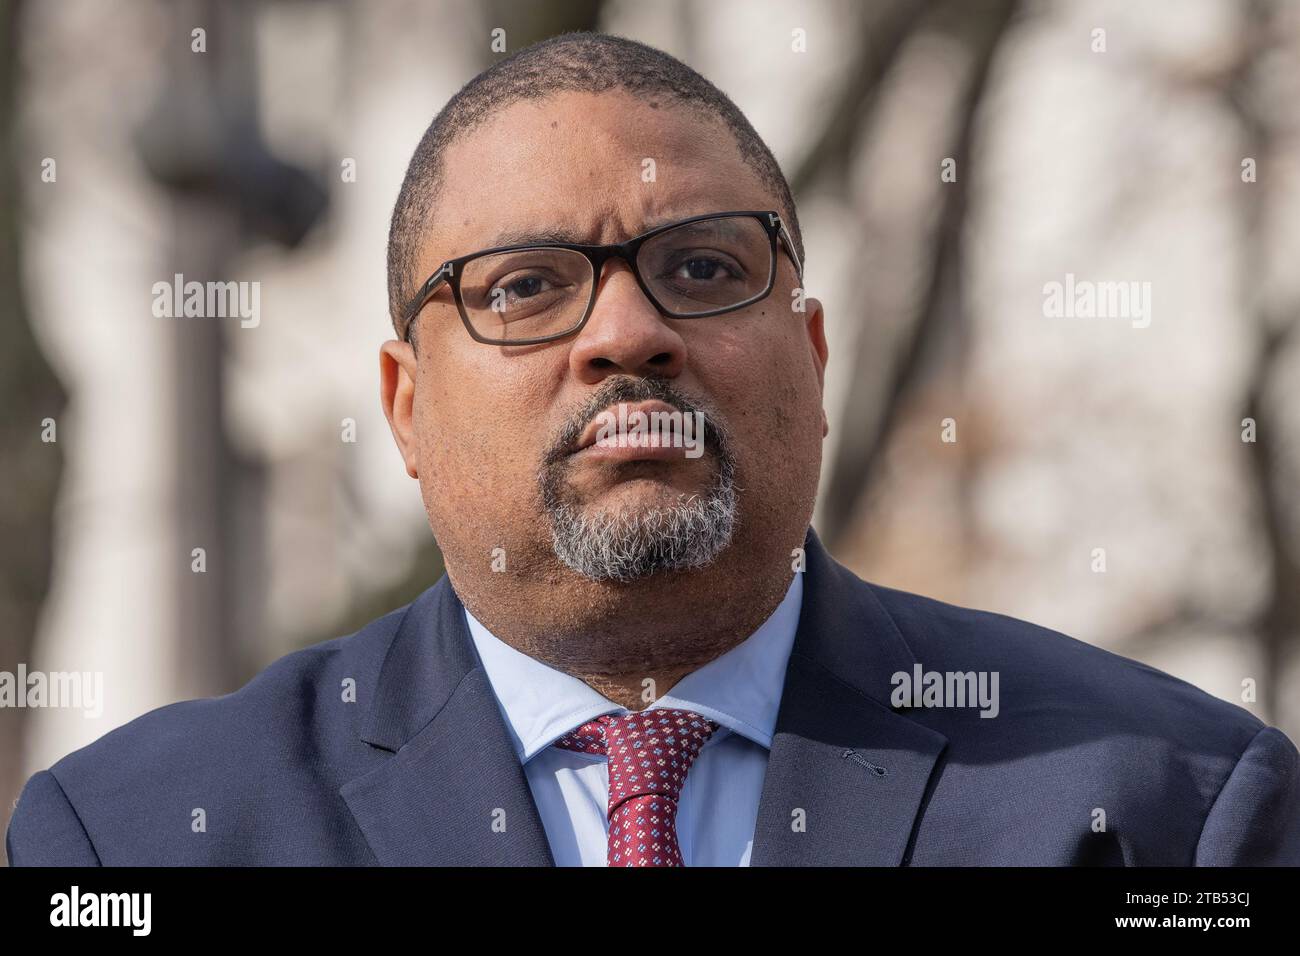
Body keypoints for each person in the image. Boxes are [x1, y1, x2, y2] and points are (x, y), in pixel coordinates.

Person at [8, 32, 1298, 867]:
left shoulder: (1173, 815)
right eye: (521, 288)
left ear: (817, 360)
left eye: (702, 267)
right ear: (403, 407)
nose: (628, 332)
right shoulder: (133, 845)